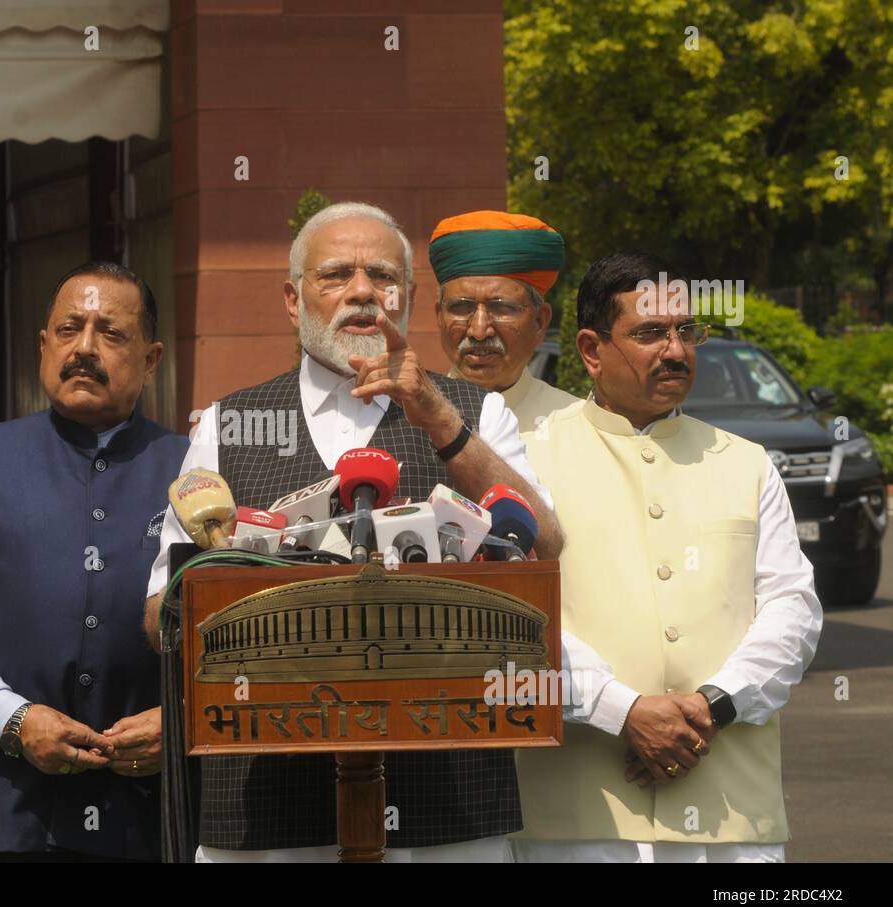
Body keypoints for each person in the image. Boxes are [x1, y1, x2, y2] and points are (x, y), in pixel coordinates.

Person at [145, 201, 563, 862]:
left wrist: (437, 417)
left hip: (445, 805)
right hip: (267, 811)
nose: (364, 291)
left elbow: (543, 549)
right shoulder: (227, 423)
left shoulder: (477, 409)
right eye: (337, 274)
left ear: (409, 297)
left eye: (383, 276)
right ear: (293, 298)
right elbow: (159, 613)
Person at [513, 252, 822, 862]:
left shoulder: (747, 463)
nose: (676, 351)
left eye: (687, 331)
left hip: (731, 811)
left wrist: (713, 706)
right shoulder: (526, 464)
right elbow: (516, 616)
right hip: (577, 815)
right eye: (650, 333)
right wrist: (622, 711)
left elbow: (793, 610)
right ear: (591, 349)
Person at [0, 261, 188, 862]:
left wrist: (183, 722)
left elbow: (239, 636)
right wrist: (12, 720)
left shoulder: (195, 470)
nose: (83, 348)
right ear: (43, 345)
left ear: (152, 358)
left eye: (111, 333)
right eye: (67, 329)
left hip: (154, 814)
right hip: (3, 811)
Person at [430, 211, 579, 435]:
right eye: (462, 308)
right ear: (440, 317)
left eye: (501, 308)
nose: (479, 331)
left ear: (539, 322)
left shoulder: (577, 426)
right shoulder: (403, 422)